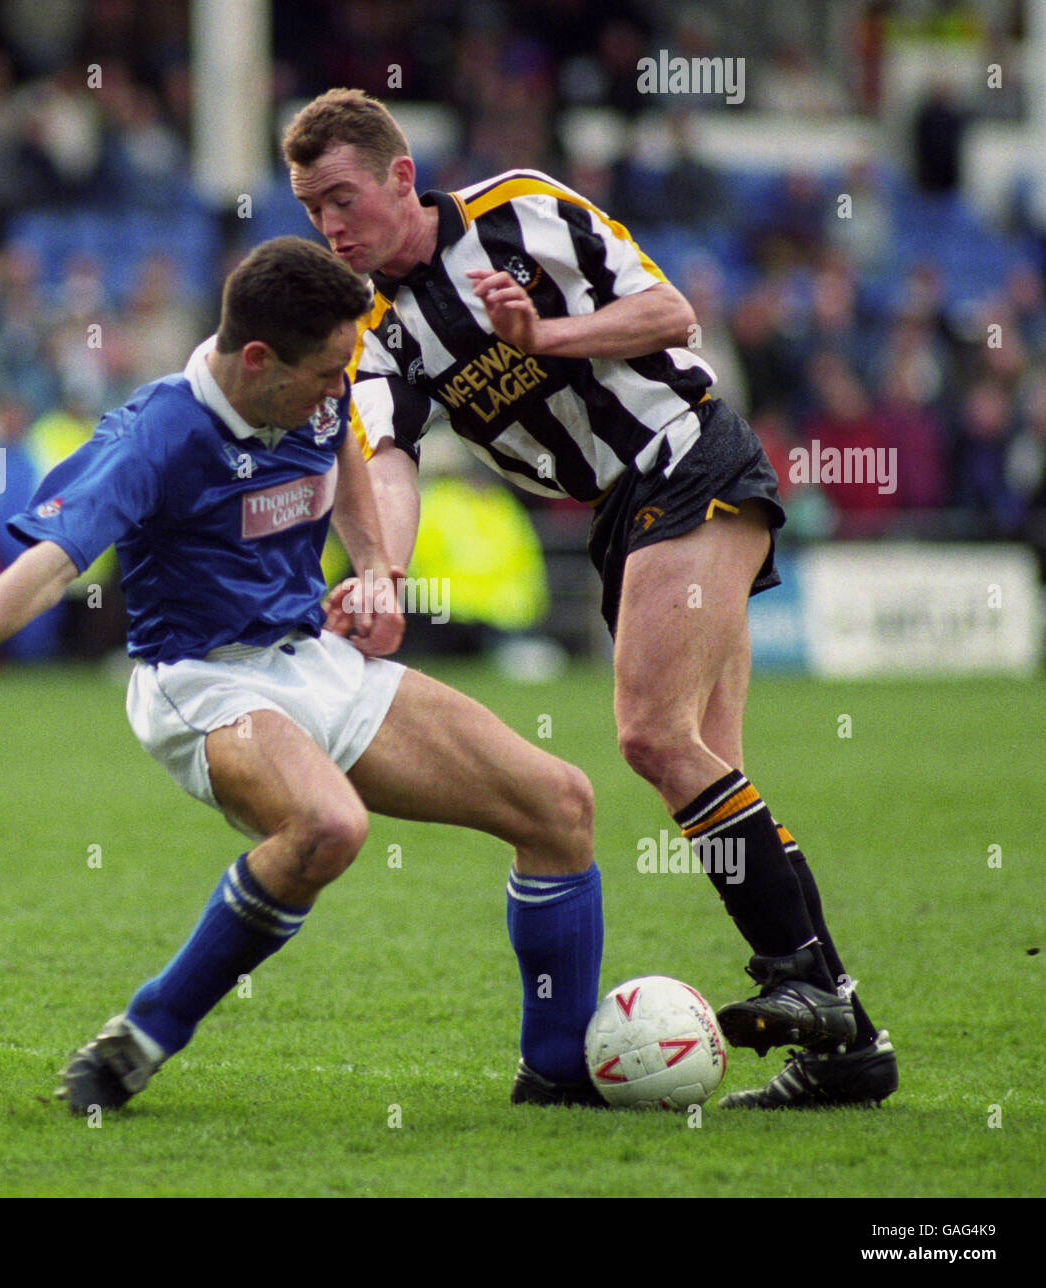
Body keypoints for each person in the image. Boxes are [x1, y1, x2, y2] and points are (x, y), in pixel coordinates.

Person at [0, 236, 602, 1113]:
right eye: (328, 373)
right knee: (330, 826)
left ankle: (557, 1077)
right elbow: (55, 562)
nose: (340, 389)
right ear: (257, 360)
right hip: (203, 682)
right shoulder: (156, 435)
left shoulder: (315, 388)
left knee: (561, 805)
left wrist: (372, 570)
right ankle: (147, 1031)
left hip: (315, 661)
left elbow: (347, 455)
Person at [283, 89, 897, 1110]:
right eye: (310, 210)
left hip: (686, 454)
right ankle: (849, 1044)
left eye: (340, 198)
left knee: (652, 735)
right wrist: (381, 567)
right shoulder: (374, 328)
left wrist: (548, 338)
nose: (328, 227)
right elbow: (384, 454)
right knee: (707, 767)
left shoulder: (522, 211)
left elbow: (670, 312)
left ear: (400, 177)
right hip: (622, 514)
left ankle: (810, 986)